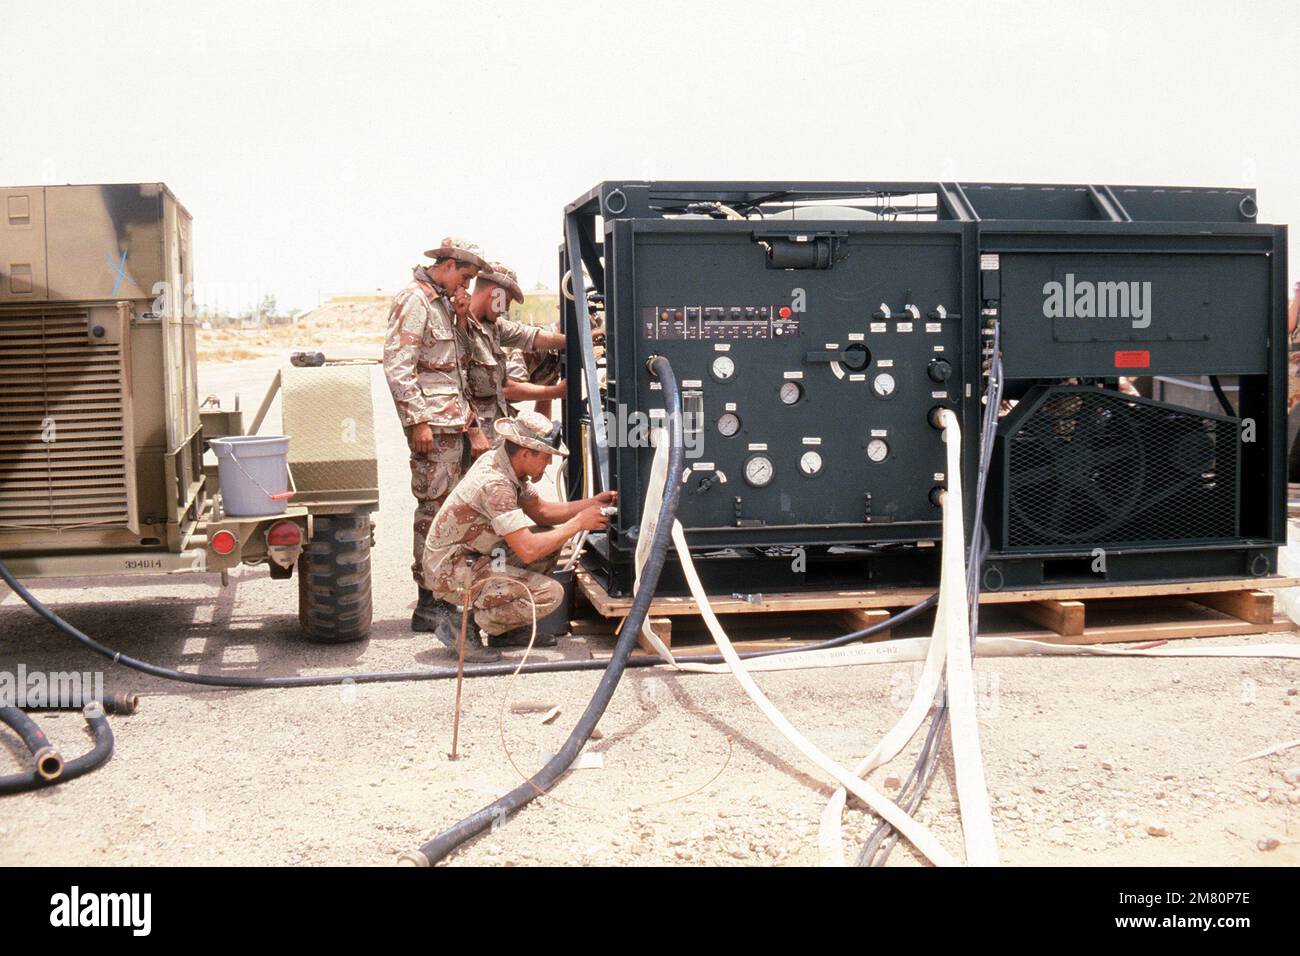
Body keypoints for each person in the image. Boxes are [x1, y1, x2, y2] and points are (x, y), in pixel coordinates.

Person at [421, 411, 615, 661]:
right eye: (546, 458)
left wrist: (590, 504)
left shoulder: (506, 463)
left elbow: (542, 512)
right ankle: (462, 623)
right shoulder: (496, 484)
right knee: (549, 594)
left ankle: (505, 631)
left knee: (549, 539)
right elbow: (528, 550)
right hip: (451, 570)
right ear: (525, 453)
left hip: (476, 556)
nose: (548, 464)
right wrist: (578, 523)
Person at [382, 237, 493, 632]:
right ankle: (428, 600)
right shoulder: (414, 300)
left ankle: (448, 592)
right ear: (447, 264)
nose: (464, 286)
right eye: (463, 276)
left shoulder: (445, 303)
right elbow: (398, 365)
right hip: (434, 426)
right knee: (433, 512)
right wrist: (417, 422)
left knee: (454, 513)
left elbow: (461, 365)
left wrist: (463, 318)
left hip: (456, 424)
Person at [462, 262, 566, 450]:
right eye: (505, 303)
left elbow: (531, 336)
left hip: (491, 436)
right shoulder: (459, 326)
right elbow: (455, 388)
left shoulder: (493, 326)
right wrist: (556, 392)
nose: (504, 310)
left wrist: (577, 340)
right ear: (495, 294)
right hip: (471, 440)